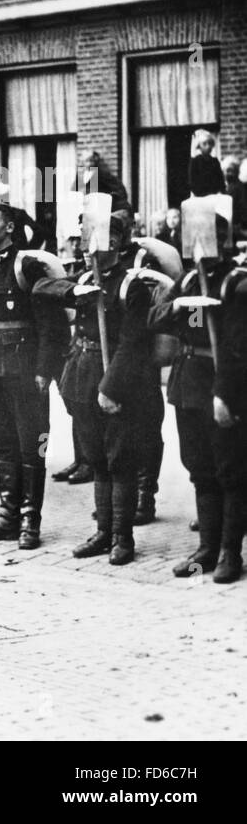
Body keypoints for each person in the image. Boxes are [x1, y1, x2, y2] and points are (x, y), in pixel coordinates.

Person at [33, 210, 163, 565]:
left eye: (94, 236)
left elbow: (133, 343)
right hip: (83, 374)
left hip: (116, 380)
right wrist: (75, 289)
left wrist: (111, 388)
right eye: (83, 235)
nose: (85, 242)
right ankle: (103, 531)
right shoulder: (86, 276)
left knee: (120, 460)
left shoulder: (130, 285)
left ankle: (123, 538)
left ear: (116, 243)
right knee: (96, 459)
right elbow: (41, 287)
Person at [0, 202, 70, 550]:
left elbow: (51, 324)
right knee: (3, 443)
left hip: (25, 369)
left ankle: (30, 518)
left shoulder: (28, 265)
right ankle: (8, 514)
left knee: (34, 444)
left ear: (9, 227)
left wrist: (45, 370)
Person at [149, 219, 245, 582]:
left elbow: (237, 348)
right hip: (188, 384)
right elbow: (156, 319)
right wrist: (180, 308)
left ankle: (230, 552)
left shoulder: (236, 283)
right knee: (199, 467)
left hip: (222, 386)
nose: (197, 244)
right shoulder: (189, 282)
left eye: (205, 237)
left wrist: (224, 394)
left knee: (231, 471)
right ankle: (207, 547)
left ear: (223, 239)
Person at [188, 129, 225, 198]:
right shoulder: (195, 161)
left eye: (210, 143)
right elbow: (192, 182)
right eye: (204, 144)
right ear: (199, 146)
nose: (208, 146)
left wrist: (219, 192)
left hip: (214, 195)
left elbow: (220, 180)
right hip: (200, 196)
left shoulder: (215, 161)